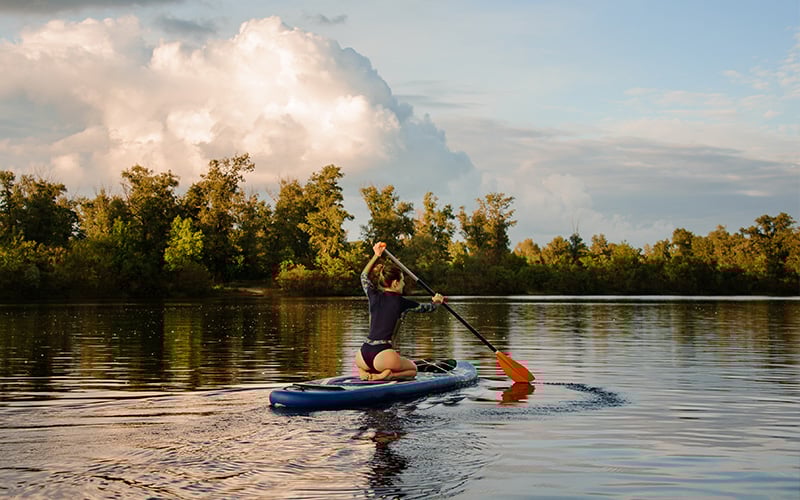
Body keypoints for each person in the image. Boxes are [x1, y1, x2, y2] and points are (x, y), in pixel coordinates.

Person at [356, 242, 445, 381]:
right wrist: (437, 302)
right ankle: (387, 375)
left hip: (363, 354)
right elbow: (428, 308)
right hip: (383, 355)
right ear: (395, 283)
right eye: (402, 280)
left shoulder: (373, 295)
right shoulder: (402, 302)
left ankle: (364, 371)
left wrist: (376, 256)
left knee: (370, 364)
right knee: (413, 370)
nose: (404, 284)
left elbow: (363, 276)